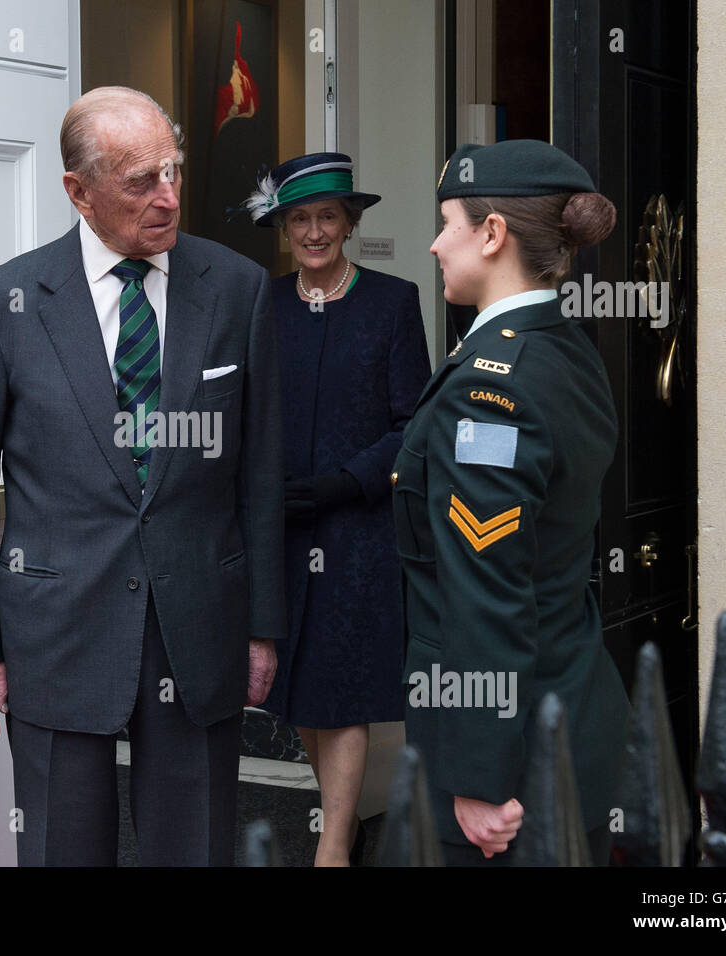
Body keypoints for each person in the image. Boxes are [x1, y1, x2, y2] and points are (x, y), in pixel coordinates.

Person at [0, 86, 285, 866]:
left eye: (173, 171)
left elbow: (260, 475)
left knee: (194, 848)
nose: (168, 197)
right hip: (56, 629)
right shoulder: (4, 305)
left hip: (199, 623)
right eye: (140, 182)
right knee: (64, 847)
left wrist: (263, 625)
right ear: (77, 192)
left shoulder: (236, 289)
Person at [393, 139, 629, 865]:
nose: (434, 244)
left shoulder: (488, 384)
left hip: (510, 755)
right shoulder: (563, 348)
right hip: (574, 707)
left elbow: (488, 589)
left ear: (492, 234)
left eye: (447, 223)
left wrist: (479, 774)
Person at [244, 153, 431, 866]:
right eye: (300, 219)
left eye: (327, 217)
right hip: (285, 529)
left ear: (349, 223)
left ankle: (332, 848)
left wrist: (347, 482)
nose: (315, 231)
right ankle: (340, 825)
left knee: (343, 686)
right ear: (284, 229)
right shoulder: (264, 304)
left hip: (357, 529)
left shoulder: (391, 301)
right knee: (303, 687)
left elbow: (413, 423)